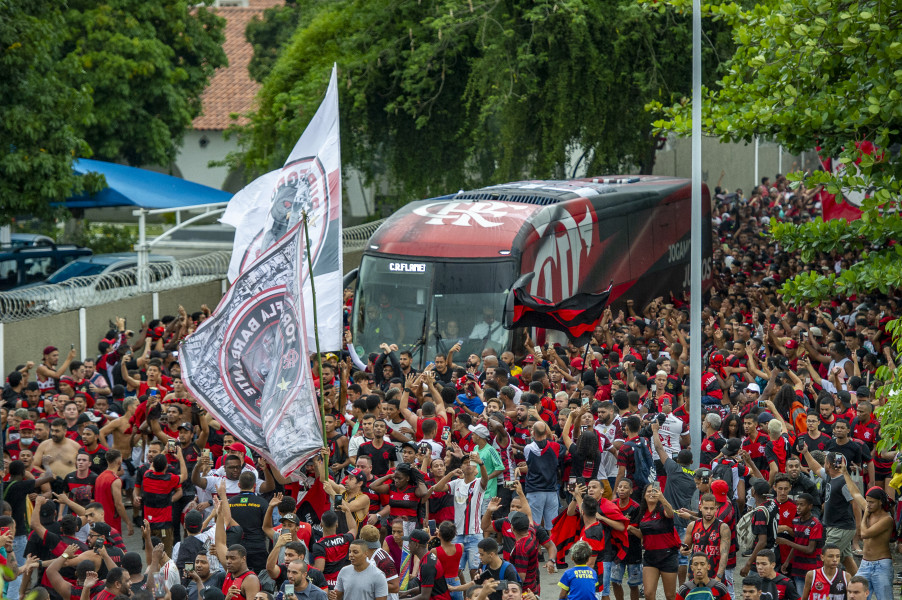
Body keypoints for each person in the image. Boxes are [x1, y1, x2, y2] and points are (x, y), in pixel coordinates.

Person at [840, 465, 894, 600]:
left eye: (871, 502)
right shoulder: (869, 509)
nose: (868, 505)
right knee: (857, 596)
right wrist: (845, 472)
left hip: (881, 564)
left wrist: (864, 516)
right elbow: (855, 493)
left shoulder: (887, 519)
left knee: (885, 597)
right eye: (867, 502)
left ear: (880, 503)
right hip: (865, 563)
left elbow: (864, 534)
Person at [629, 483, 680, 600]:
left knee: (670, 595)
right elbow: (643, 535)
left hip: (668, 556)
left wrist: (662, 498)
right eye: (649, 491)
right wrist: (631, 529)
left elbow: (671, 513)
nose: (652, 493)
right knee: (648, 594)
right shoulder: (642, 512)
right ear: (644, 495)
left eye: (655, 491)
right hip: (650, 557)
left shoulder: (662, 509)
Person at [523, 420, 566, 529]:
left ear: (533, 433)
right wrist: (552, 440)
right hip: (551, 490)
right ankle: (553, 545)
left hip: (534, 490)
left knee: (534, 524)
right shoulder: (555, 446)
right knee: (552, 525)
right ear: (546, 433)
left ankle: (536, 546)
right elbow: (563, 450)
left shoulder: (528, 448)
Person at [777, 493, 823, 592]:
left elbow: (810, 549)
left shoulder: (815, 524)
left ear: (810, 506)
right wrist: (787, 561)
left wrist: (787, 542)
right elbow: (797, 543)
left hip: (812, 568)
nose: (798, 507)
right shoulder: (796, 521)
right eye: (797, 504)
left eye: (802, 505)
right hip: (798, 568)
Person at [680, 494, 730, 586]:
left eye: (711, 508)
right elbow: (686, 548)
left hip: (714, 573)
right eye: (706, 508)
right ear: (700, 507)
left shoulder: (723, 527)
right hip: (695, 574)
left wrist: (719, 576)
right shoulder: (692, 526)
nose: (708, 511)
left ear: (716, 508)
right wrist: (683, 551)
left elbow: (724, 554)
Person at [400, 529, 452, 600]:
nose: (408, 545)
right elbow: (424, 587)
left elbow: (424, 597)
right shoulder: (428, 557)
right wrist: (406, 592)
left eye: (410, 542)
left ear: (416, 545)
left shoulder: (427, 565)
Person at [310, 511, 355, 590]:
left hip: (328, 585)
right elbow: (354, 528)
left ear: (321, 524)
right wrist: (347, 510)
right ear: (337, 524)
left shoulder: (319, 545)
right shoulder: (345, 539)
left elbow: (319, 569)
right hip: (343, 583)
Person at [95, 449, 134, 536]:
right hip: (111, 522)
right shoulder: (115, 480)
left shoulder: (99, 477)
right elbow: (118, 504)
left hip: (99, 520)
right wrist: (128, 522)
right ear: (120, 461)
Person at [359, 524, 399, 600]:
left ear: (361, 539)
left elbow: (395, 587)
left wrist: (369, 584)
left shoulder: (383, 560)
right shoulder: (366, 555)